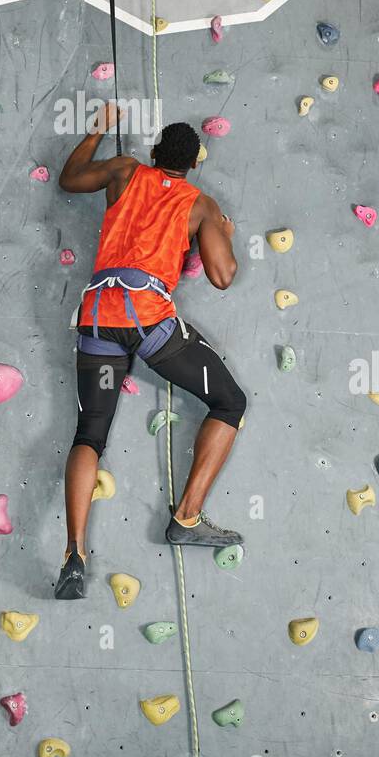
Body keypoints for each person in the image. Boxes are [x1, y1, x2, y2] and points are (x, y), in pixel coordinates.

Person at [54, 103, 246, 600]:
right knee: (230, 402)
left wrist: (98, 128)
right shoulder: (199, 203)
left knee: (88, 433)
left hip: (99, 317)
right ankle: (186, 517)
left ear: (155, 152)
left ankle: (74, 554)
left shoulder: (124, 170)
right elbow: (224, 277)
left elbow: (69, 180)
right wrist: (221, 230)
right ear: (193, 163)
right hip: (151, 325)